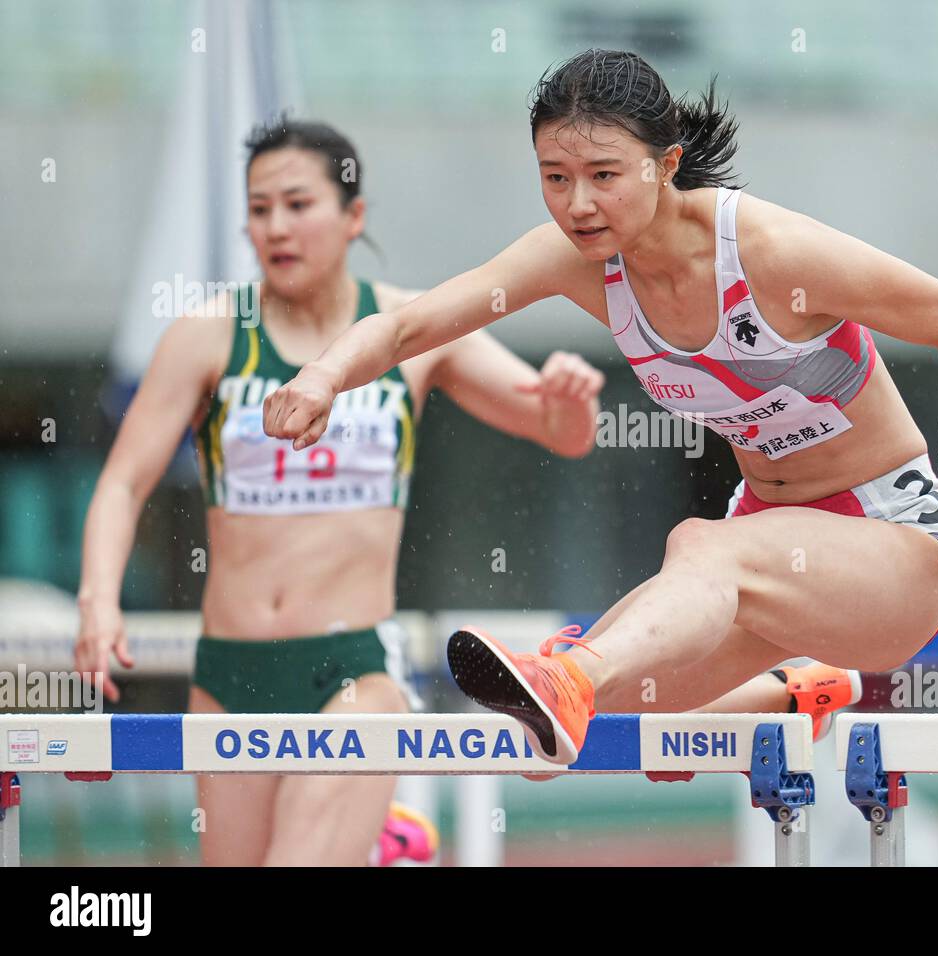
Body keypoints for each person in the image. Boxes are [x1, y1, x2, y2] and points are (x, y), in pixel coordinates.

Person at [263, 50, 938, 766]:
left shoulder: (770, 252)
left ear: (666, 165)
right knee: (550, 739)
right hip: (763, 544)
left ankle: (576, 672)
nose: (579, 204)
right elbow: (407, 324)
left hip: (891, 544)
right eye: (555, 177)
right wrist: (324, 376)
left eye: (604, 174)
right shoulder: (576, 263)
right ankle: (798, 694)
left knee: (685, 558)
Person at [73, 117, 605, 864]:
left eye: (297, 204)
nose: (275, 227)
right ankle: (381, 842)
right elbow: (124, 484)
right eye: (258, 210)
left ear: (353, 216)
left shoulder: (408, 329)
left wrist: (569, 399)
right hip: (230, 670)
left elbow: (560, 431)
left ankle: (366, 830)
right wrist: (98, 600)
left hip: (352, 670)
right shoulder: (208, 336)